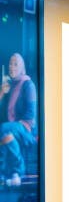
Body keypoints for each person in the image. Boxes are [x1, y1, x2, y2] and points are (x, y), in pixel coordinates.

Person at [0, 53, 37, 186]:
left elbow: (30, 114)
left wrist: (15, 126)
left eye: (15, 64)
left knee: (3, 129)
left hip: (26, 130)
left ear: (22, 68)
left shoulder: (28, 85)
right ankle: (14, 175)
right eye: (10, 63)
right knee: (6, 134)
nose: (11, 66)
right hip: (12, 128)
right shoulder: (9, 86)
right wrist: (2, 93)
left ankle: (18, 169)